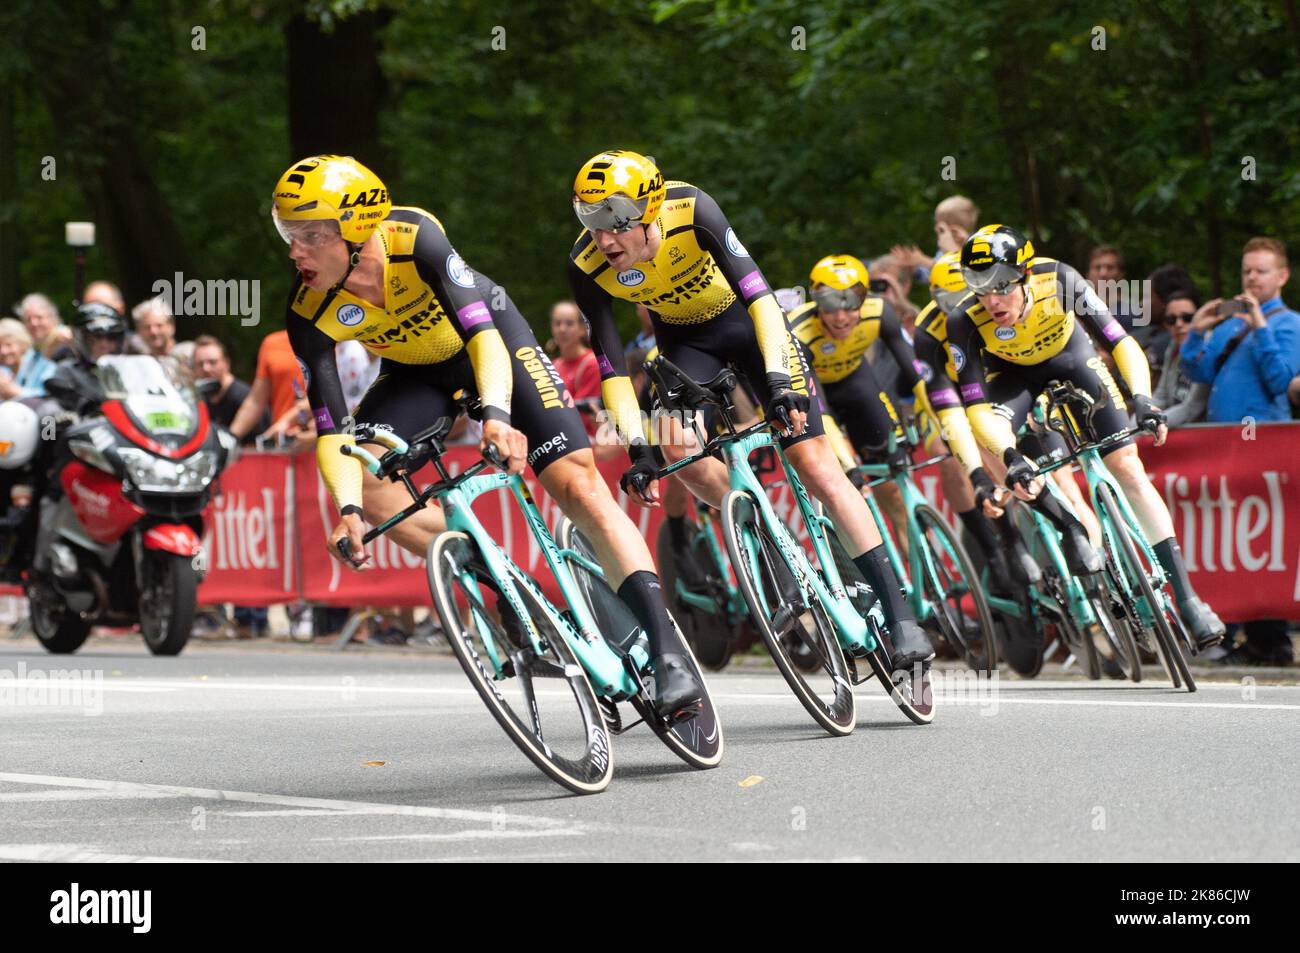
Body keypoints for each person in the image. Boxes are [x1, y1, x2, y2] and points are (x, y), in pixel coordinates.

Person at [271, 153, 702, 718]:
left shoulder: (415, 238)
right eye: (287, 233)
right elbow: (330, 428)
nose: (293, 250)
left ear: (355, 228)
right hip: (415, 374)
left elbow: (482, 338)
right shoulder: (307, 308)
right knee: (369, 482)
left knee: (577, 484)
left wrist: (496, 415)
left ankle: (668, 653)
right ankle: (500, 576)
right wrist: (349, 507)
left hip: (493, 345)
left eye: (308, 235)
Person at [567, 149, 931, 671]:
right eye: (590, 221)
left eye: (614, 222)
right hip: (684, 345)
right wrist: (638, 449)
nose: (604, 239)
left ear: (649, 209)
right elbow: (613, 371)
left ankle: (901, 618)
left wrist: (781, 383)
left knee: (816, 465)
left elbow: (760, 298)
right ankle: (758, 529)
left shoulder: (692, 209)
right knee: (675, 450)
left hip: (750, 326)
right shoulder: (586, 265)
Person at [947, 224, 1224, 648]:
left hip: (1071, 358)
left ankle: (1189, 601)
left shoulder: (1059, 278)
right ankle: (1074, 537)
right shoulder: (963, 320)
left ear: (1022, 274)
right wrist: (1008, 454)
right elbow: (976, 408)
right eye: (978, 285)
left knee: (1128, 468)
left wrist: (1144, 400)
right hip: (1013, 378)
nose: (992, 298)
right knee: (1017, 468)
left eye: (1001, 284)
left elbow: (1118, 341)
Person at [785, 254, 923, 548]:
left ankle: (925, 581)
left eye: (851, 303)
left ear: (864, 298)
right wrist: (850, 467)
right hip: (818, 395)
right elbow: (819, 411)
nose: (841, 316)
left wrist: (935, 420)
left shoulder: (880, 312)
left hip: (857, 385)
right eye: (830, 305)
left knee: (894, 485)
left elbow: (917, 376)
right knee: (840, 487)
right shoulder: (798, 330)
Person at [1180, 237, 1300, 424]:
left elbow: (1280, 382)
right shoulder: (1230, 323)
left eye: (1261, 271)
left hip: (1262, 438)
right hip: (1220, 435)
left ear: (1282, 276)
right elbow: (1199, 374)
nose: (1251, 277)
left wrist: (1260, 329)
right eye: (1246, 271)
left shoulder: (1292, 322)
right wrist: (1196, 333)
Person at [227, 330, 311, 444]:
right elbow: (255, 401)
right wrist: (229, 439)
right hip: (283, 441)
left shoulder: (338, 343)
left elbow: (335, 395)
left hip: (328, 440)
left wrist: (288, 420)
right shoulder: (272, 344)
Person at [1150, 291, 1209, 427]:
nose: (1178, 324)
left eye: (1187, 318)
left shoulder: (1209, 346)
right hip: (1173, 427)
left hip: (1203, 433)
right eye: (1171, 320)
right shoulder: (1173, 347)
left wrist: (1152, 424)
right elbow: (1161, 396)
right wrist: (1140, 418)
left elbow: (1193, 407)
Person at [192, 335, 269, 437]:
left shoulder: (245, 397)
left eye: (212, 362)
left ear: (226, 363)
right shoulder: (197, 399)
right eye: (200, 364)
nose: (206, 368)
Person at [891, 195, 981, 280]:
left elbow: (957, 272)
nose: (935, 229)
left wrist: (923, 261)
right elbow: (931, 276)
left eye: (940, 227)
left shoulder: (974, 248)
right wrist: (914, 269)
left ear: (953, 230)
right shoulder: (943, 251)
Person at [0, 318, 55, 399]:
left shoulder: (43, 363)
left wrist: (17, 392)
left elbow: (50, 396)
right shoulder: (4, 371)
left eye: (8, 345)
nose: (3, 351)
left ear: (22, 344)